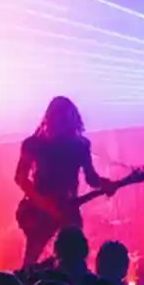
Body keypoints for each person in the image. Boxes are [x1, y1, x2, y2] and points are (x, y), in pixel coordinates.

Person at [14, 96, 115, 267]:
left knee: (73, 257)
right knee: (32, 260)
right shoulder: (34, 144)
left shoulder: (80, 145)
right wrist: (44, 203)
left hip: (67, 209)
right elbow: (20, 177)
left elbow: (91, 178)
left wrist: (106, 184)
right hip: (41, 211)